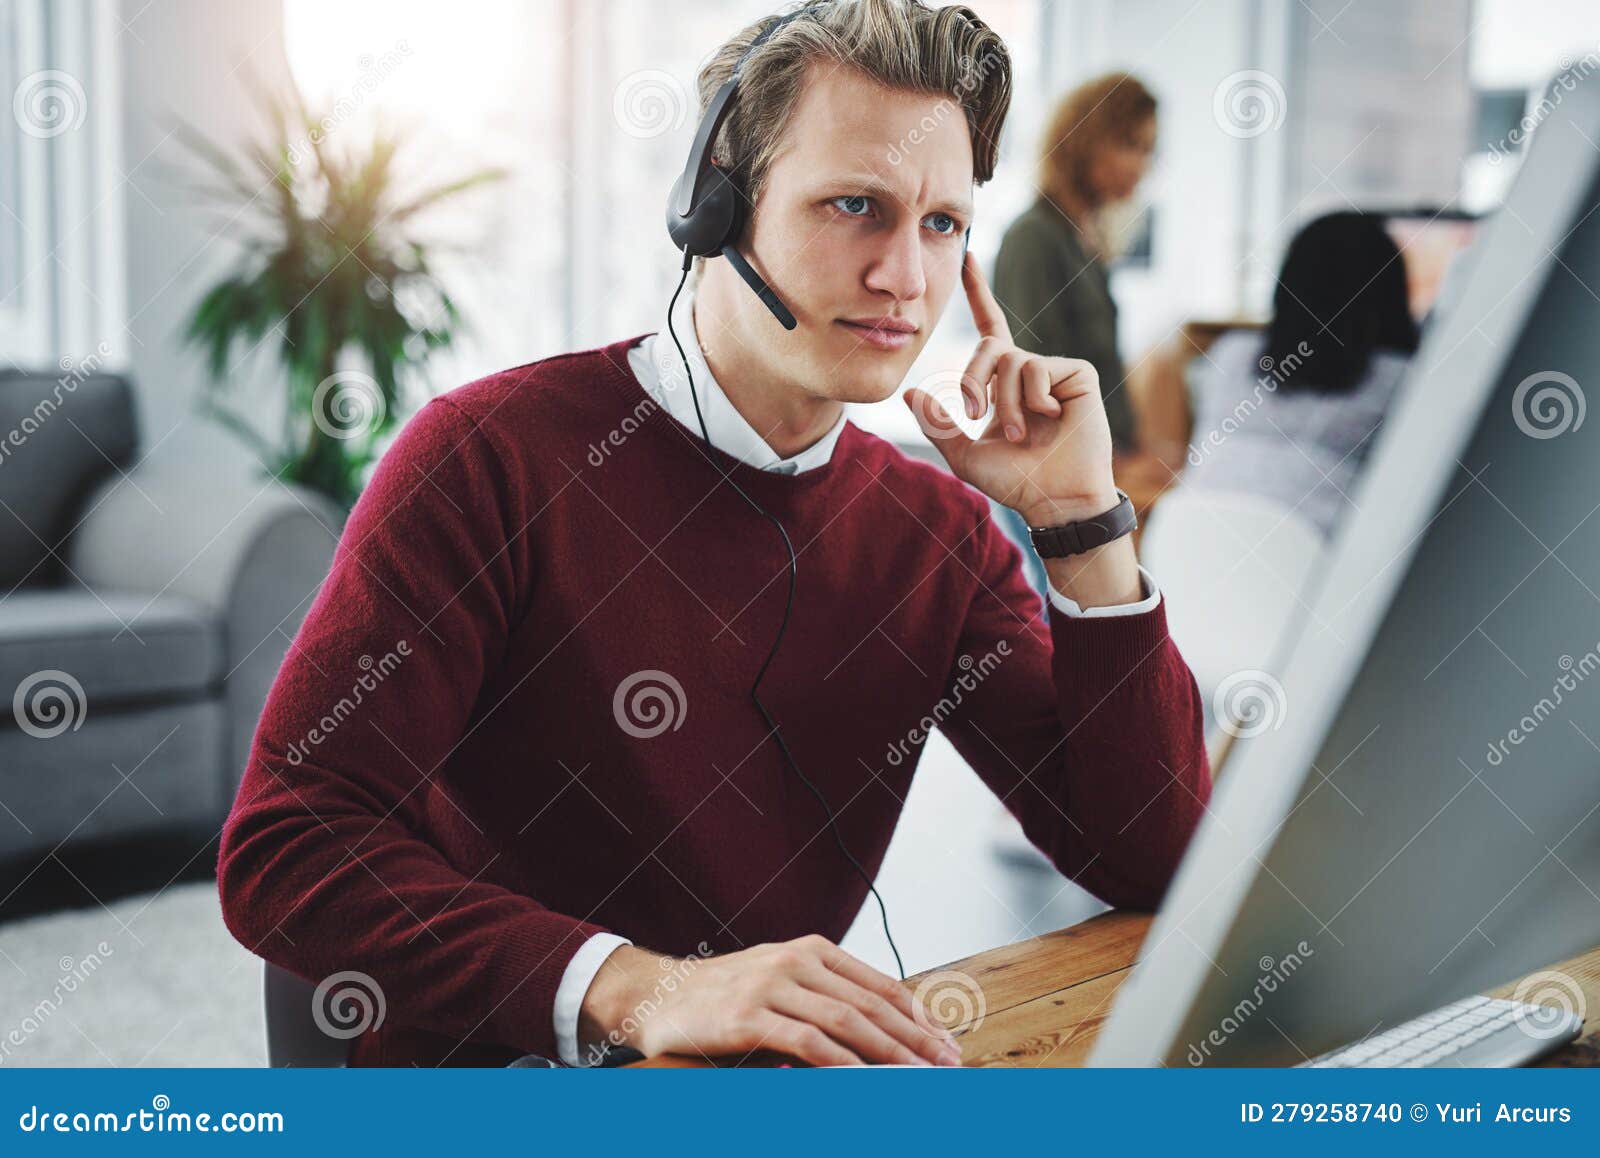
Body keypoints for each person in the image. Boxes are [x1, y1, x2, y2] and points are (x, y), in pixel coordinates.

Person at [217, 0, 1209, 1070]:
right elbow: (289, 844)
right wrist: (638, 987)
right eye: (855, 206)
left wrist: (1080, 523)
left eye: (941, 224)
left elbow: (1151, 862)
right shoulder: (488, 457)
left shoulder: (938, 534)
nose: (906, 280)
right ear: (713, 206)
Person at [1183, 212, 1421, 537]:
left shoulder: (1232, 353)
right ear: (1389, 293)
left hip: (1188, 542)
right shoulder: (1397, 378)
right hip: (1313, 557)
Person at [992, 72, 1158, 454]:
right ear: (1084, 142)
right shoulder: (1033, 237)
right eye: (1129, 144)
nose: (1141, 165)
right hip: (1062, 463)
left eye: (1148, 150)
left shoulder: (1084, 243)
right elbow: (1035, 377)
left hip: (1104, 457)